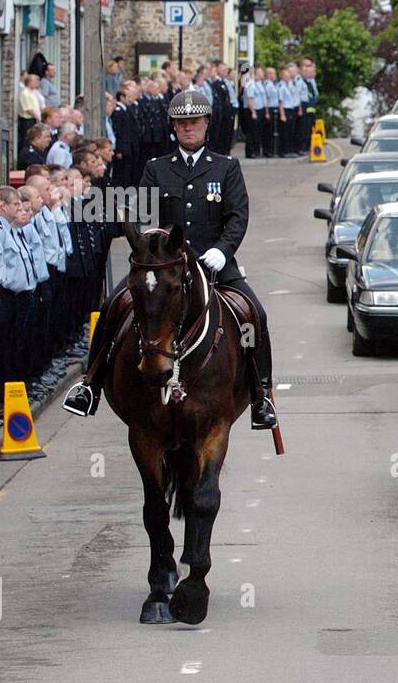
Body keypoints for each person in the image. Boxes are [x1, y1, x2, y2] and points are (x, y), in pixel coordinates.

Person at [64, 89, 276, 429]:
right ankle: (89, 385)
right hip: (165, 265)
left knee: (255, 315)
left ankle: (260, 395)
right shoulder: (157, 168)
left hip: (213, 262)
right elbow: (147, 215)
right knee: (111, 307)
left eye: (194, 122)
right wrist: (142, 239)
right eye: (181, 123)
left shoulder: (226, 167)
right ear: (173, 128)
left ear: (207, 124)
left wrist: (223, 250)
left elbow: (238, 215)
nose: (188, 128)